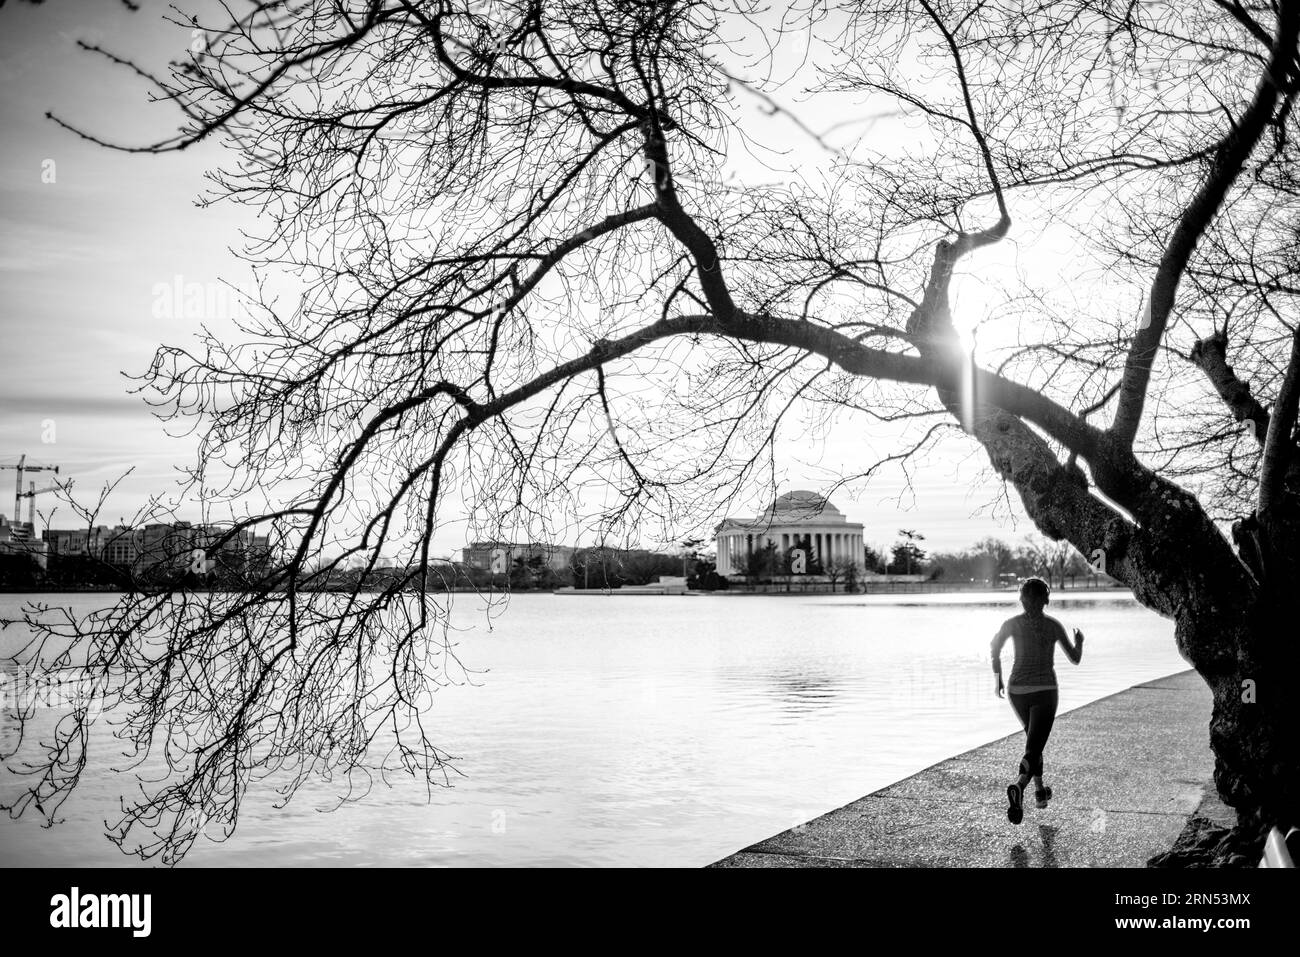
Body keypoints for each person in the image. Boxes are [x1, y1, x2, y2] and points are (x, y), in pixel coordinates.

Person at [990, 577, 1083, 825]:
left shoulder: (1011, 623)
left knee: (1034, 743)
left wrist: (998, 679)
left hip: (1017, 690)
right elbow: (1075, 658)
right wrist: (1080, 643)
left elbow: (994, 647)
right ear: (1046, 599)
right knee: (1034, 747)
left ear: (1022, 599)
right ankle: (1019, 786)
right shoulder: (1053, 625)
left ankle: (1040, 793)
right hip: (1045, 691)